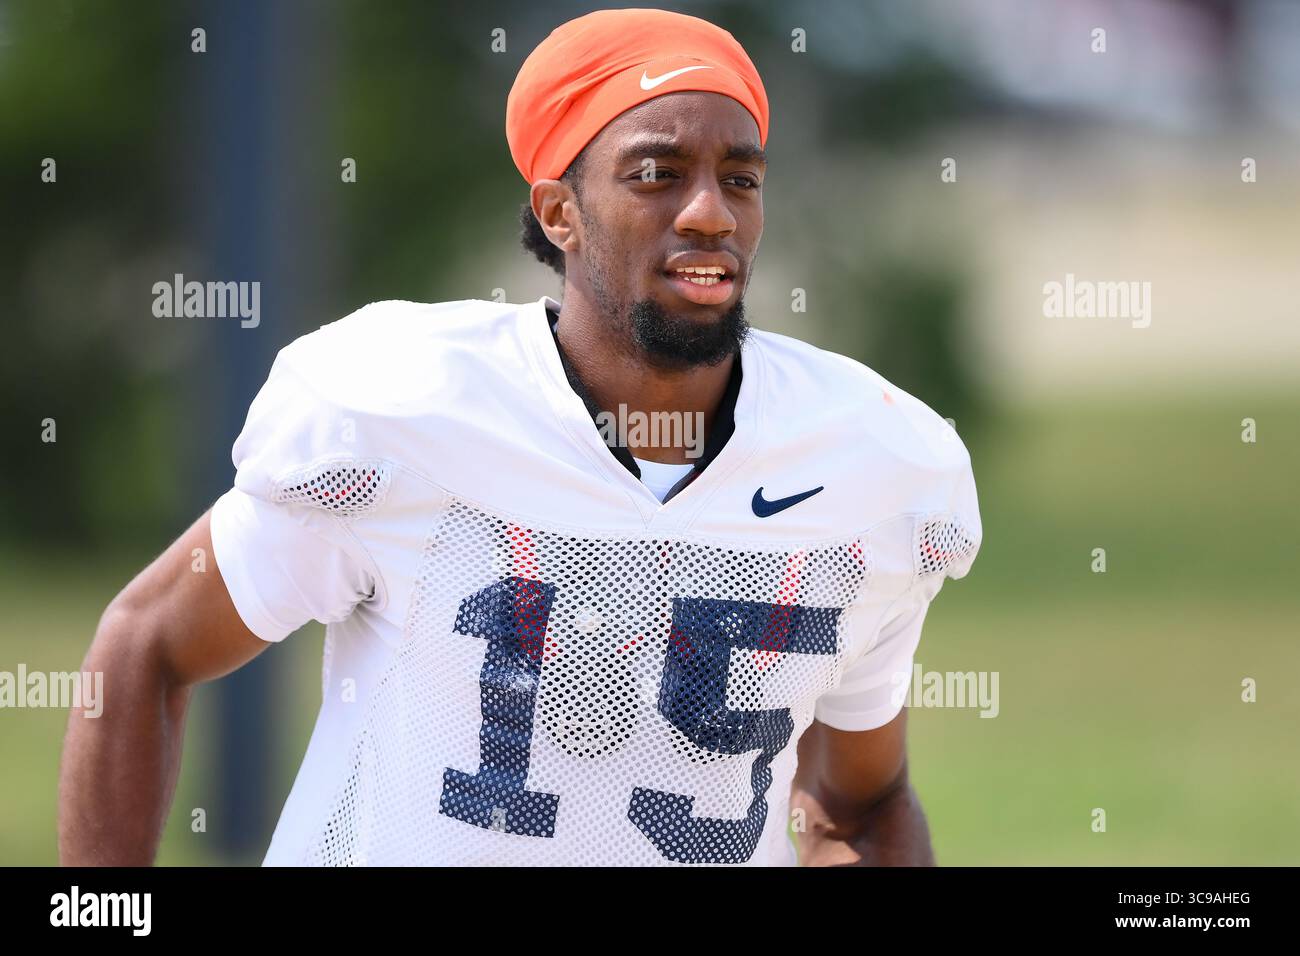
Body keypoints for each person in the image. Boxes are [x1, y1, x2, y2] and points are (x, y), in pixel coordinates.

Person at [59, 7, 982, 867]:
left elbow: (862, 804)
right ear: (559, 213)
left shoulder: (873, 464)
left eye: (739, 178)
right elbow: (147, 648)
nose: (710, 211)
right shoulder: (402, 411)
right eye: (657, 173)